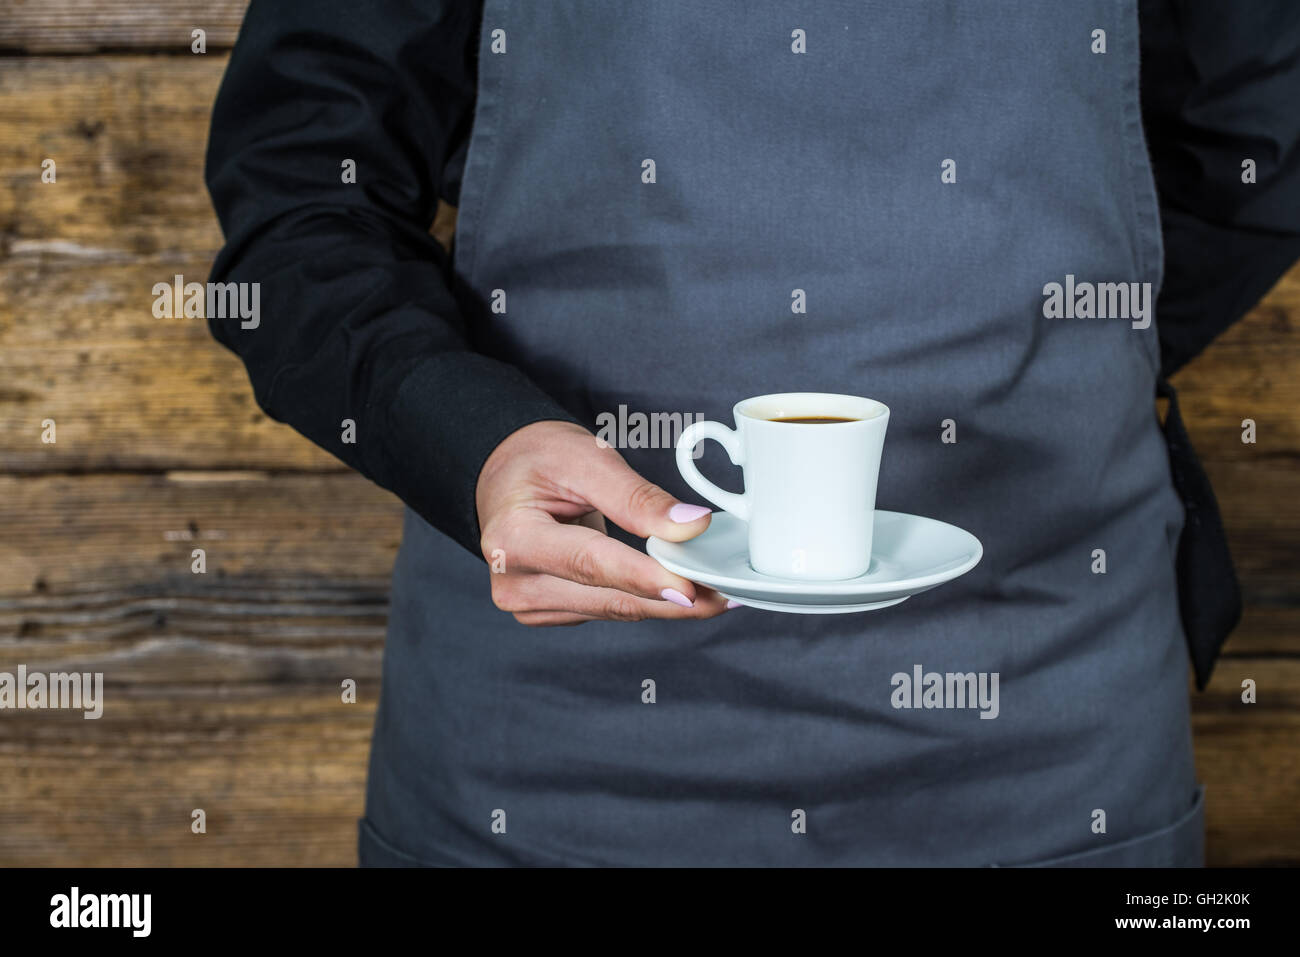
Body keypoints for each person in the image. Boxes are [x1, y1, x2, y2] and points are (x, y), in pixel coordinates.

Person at [205, 0, 1300, 866]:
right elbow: (303, 187)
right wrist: (473, 437)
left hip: (1044, 731)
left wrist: (1065, 350)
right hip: (550, 742)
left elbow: (1259, 149)